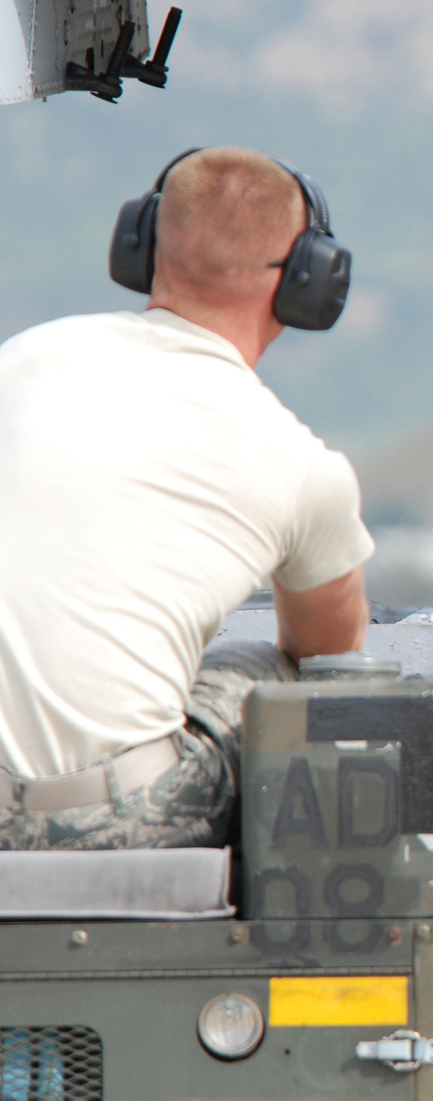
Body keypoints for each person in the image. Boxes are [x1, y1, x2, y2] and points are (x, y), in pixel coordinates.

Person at [0, 146, 375, 852]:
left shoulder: (23, 359)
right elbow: (330, 652)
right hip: (114, 823)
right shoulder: (300, 465)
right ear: (309, 278)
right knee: (271, 671)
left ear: (139, 243)